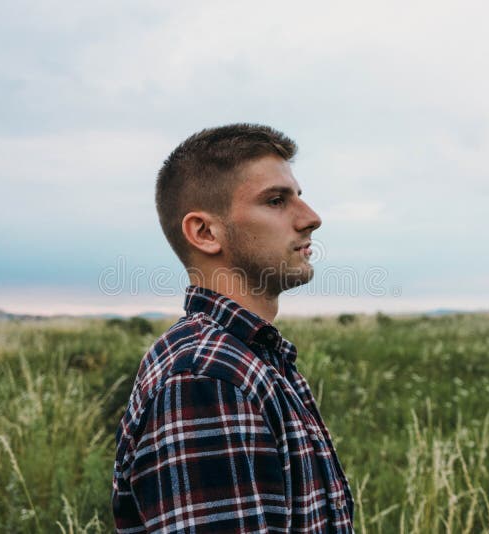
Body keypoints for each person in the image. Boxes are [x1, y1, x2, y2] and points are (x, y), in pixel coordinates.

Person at [111, 124, 354, 532]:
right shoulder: (206, 377)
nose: (311, 218)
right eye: (276, 200)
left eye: (299, 196)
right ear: (205, 232)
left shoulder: (251, 356)